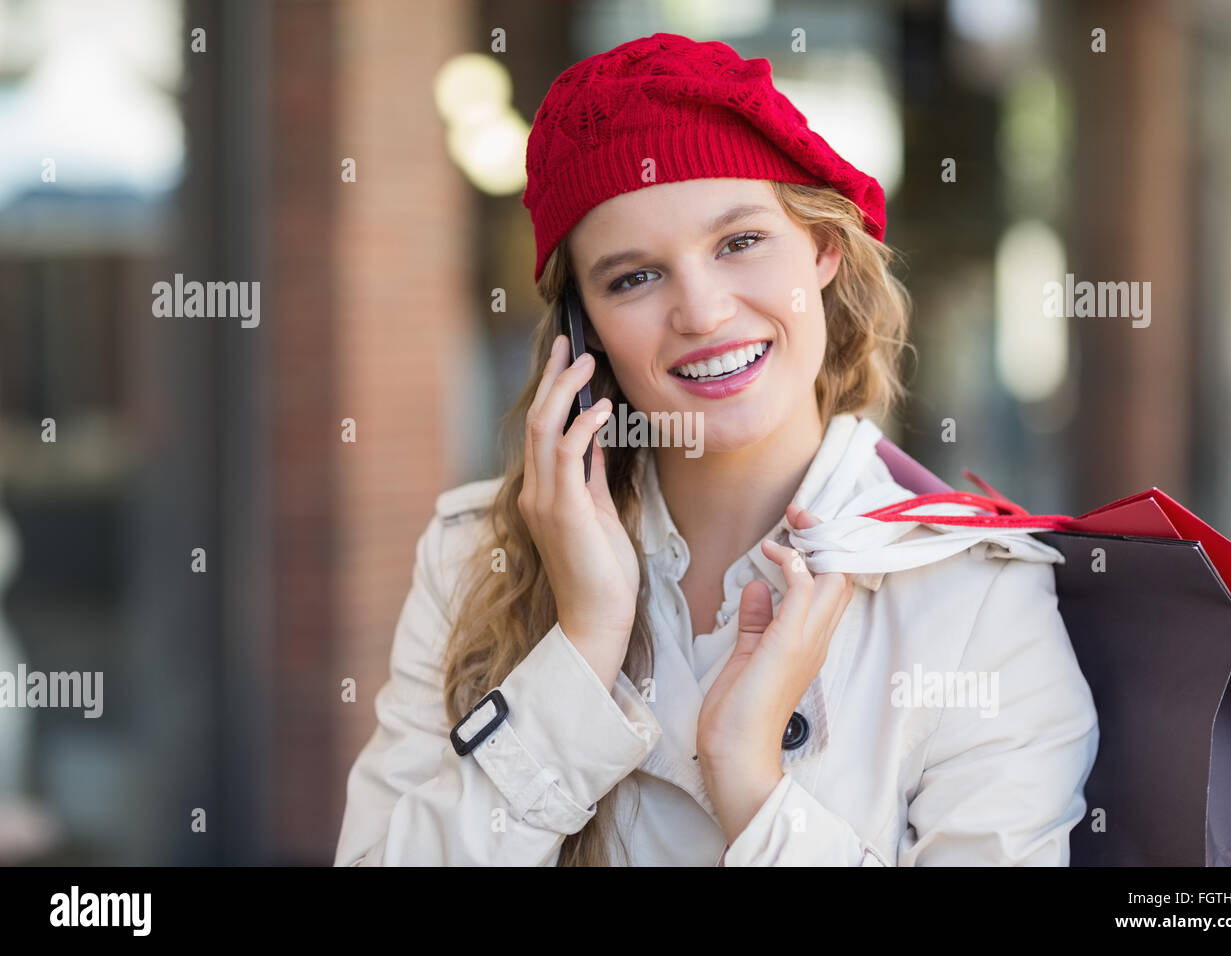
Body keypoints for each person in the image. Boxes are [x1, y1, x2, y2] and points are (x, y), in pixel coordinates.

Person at [334, 32, 1098, 867]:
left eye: (740, 243)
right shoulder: (471, 558)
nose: (701, 312)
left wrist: (751, 785)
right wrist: (581, 650)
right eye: (634, 277)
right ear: (583, 335)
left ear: (823, 250)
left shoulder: (974, 600)